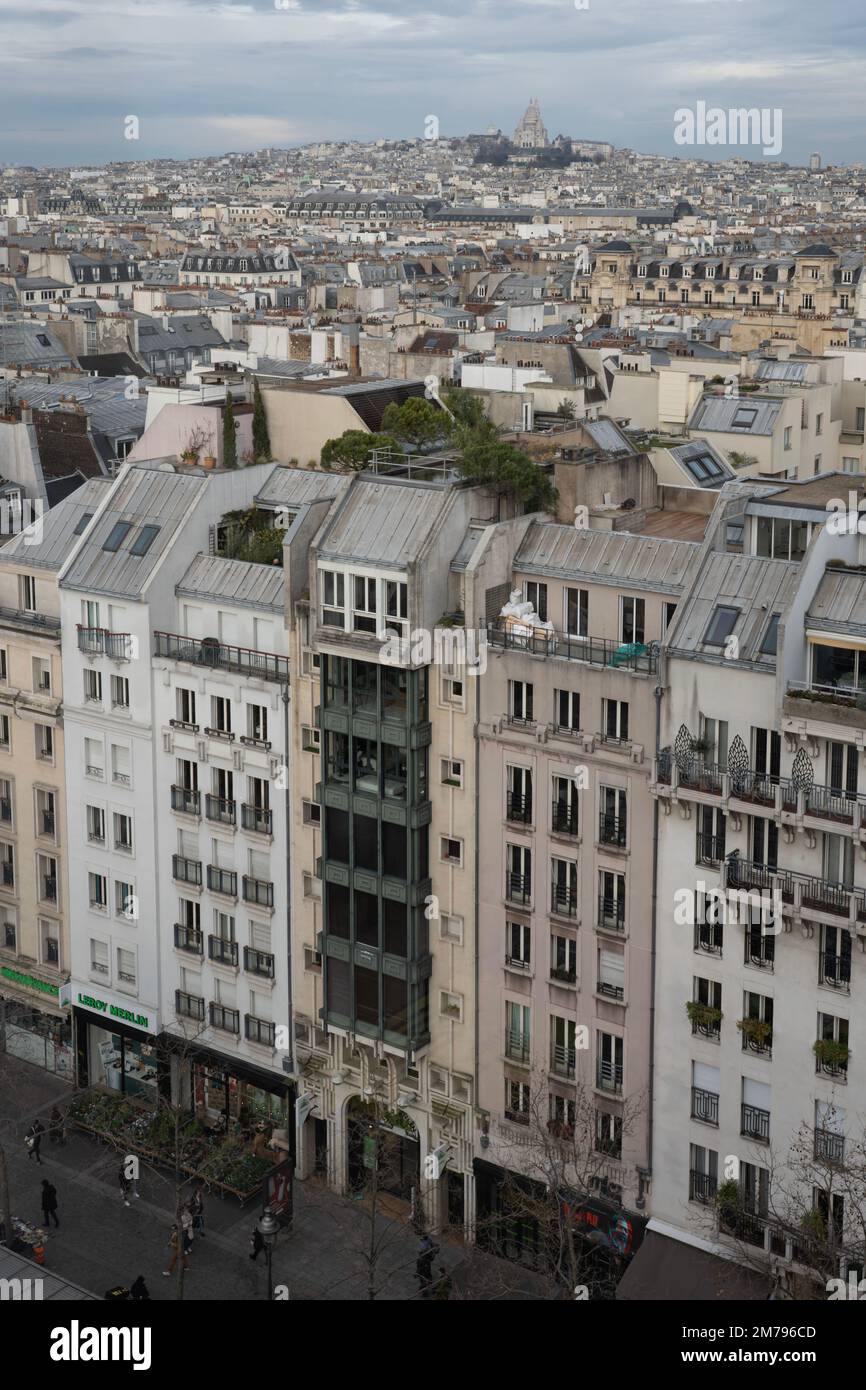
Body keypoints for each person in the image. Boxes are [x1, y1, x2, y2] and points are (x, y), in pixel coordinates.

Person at [416, 1233, 438, 1298]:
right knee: (426, 1273)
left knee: (425, 1276)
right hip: (426, 1258)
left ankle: (426, 1287)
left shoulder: (427, 1241)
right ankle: (428, 1284)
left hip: (426, 1258)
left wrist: (433, 1248)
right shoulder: (422, 1244)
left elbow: (432, 1244)